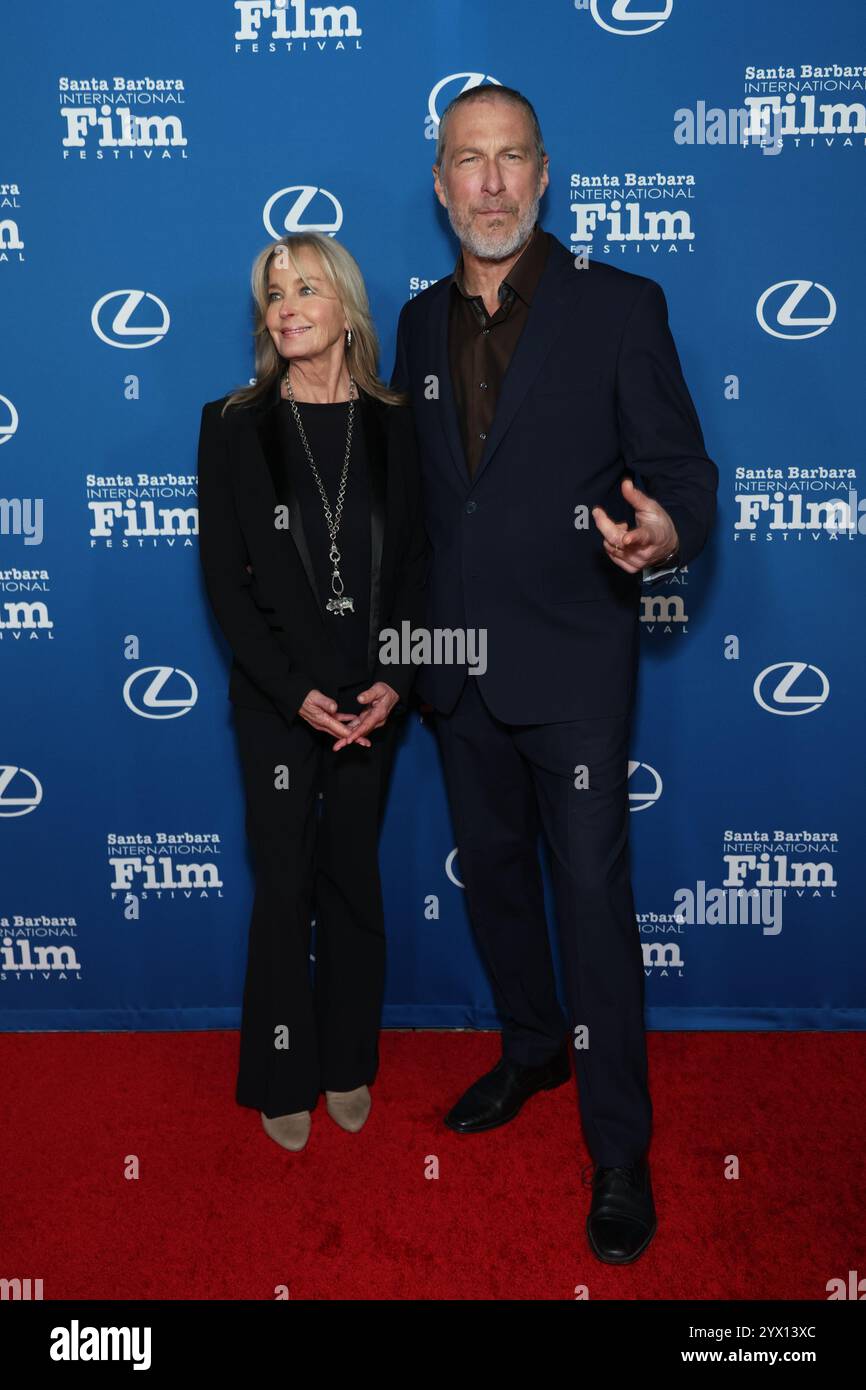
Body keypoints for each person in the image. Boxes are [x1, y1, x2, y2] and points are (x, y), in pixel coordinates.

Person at [391, 85, 718, 1263]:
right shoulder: (419, 323)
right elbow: (427, 515)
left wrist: (665, 533)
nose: (487, 181)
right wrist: (403, 658)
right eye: (464, 160)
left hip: (573, 658)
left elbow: (681, 470)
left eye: (508, 157)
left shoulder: (621, 307)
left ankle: (617, 1149)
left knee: (589, 899)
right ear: (439, 184)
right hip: (453, 667)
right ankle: (530, 1046)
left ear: (542, 174)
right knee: (489, 876)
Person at [197, 231, 427, 1152]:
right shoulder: (232, 422)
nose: (285, 304)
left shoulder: (397, 422)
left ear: (345, 308)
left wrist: (394, 679)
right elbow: (225, 582)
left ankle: (347, 1060)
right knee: (285, 881)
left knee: (352, 877)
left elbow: (418, 565)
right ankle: (282, 1069)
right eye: (273, 291)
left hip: (371, 698)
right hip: (275, 699)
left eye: (305, 288)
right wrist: (295, 694)